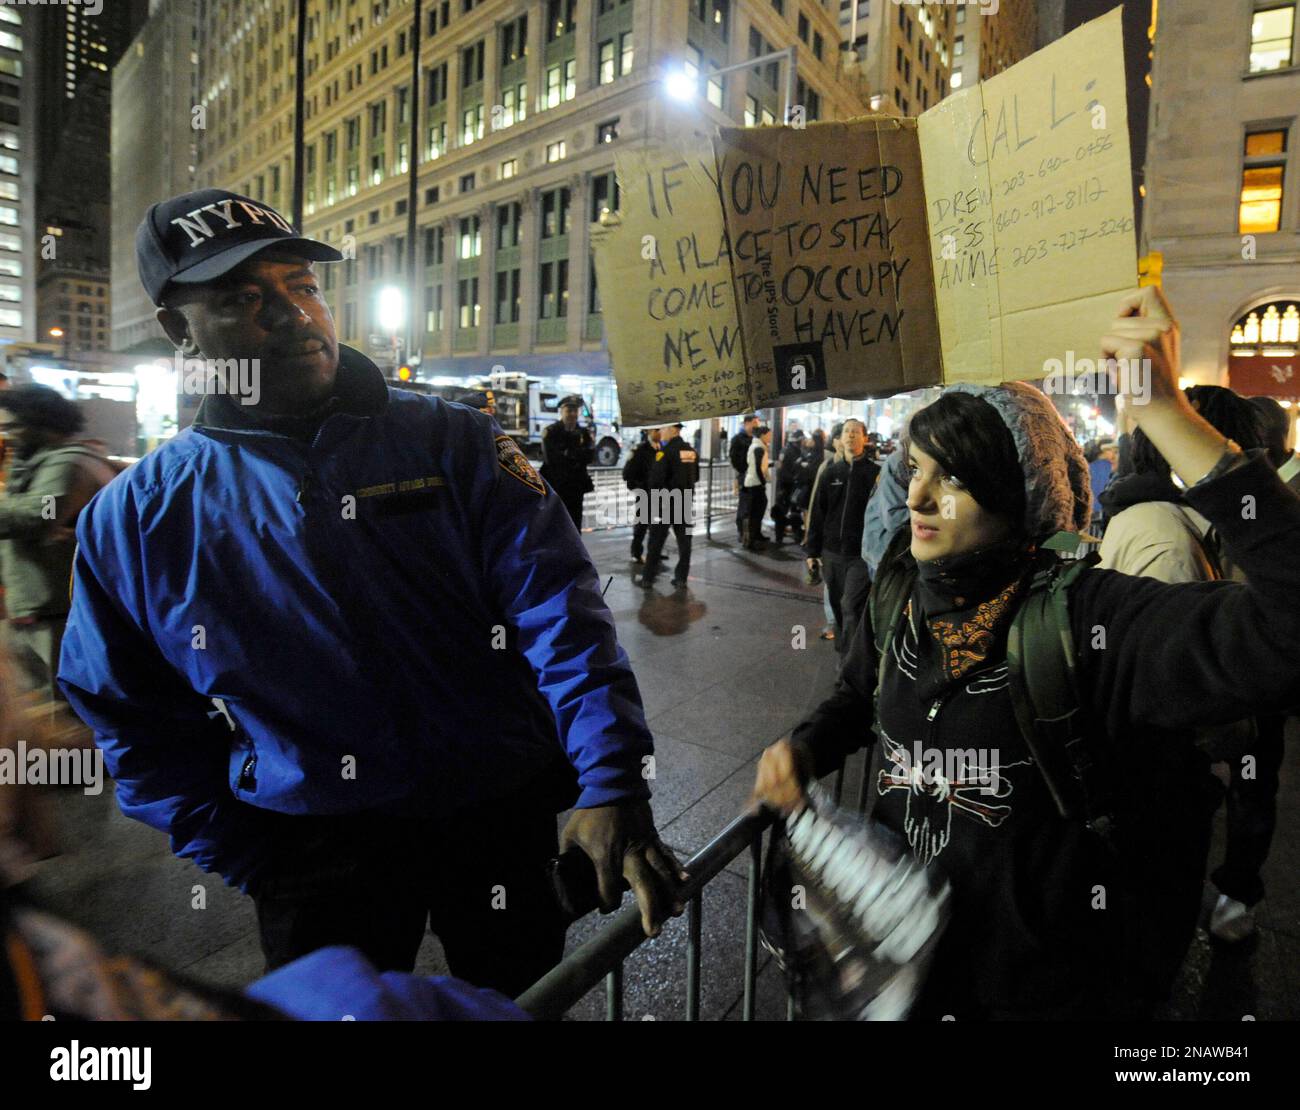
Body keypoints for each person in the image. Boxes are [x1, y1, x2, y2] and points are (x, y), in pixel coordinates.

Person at [56, 188, 684, 999]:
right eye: (243, 298)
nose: (290, 314)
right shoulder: (136, 519)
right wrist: (246, 851)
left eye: (302, 286)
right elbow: (126, 712)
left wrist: (611, 778)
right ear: (179, 330)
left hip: (495, 814)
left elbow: (561, 611)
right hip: (314, 853)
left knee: (523, 1002)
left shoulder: (454, 441)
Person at [752, 287, 1300, 1019]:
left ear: (1020, 493)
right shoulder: (900, 598)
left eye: (952, 476)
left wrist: (1167, 415)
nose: (917, 497)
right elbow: (859, 696)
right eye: (915, 466)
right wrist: (806, 747)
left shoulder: (1087, 620)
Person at [0, 387, 118, 702]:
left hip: (56, 614)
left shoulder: (70, 463)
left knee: (58, 710)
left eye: (14, 427)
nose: (9, 435)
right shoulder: (42, 462)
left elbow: (39, 514)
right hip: (40, 608)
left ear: (42, 423)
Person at [803, 419, 879, 656]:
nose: (851, 436)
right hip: (832, 552)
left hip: (861, 555)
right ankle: (843, 656)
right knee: (837, 607)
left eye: (856, 432)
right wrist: (812, 552)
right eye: (847, 431)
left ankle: (851, 663)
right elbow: (818, 512)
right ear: (841, 437)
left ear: (864, 439)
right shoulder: (831, 472)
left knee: (851, 607)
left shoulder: (875, 473)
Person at [640, 423, 699, 589]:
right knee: (685, 541)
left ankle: (647, 578)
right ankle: (681, 577)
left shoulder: (665, 453)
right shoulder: (691, 451)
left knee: (656, 540)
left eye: (664, 429)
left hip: (665, 504)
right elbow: (696, 477)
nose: (661, 432)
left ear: (674, 430)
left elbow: (655, 480)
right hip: (685, 502)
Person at [540, 395, 595, 529]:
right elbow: (551, 460)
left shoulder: (584, 433)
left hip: (576, 487)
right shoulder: (551, 432)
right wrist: (575, 455)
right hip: (557, 486)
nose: (572, 414)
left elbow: (589, 456)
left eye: (575, 411)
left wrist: (569, 455)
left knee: (575, 525)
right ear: (561, 411)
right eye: (569, 411)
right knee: (556, 525)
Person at [621, 427, 660, 564]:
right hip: (645, 494)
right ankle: (636, 553)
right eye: (657, 430)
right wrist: (639, 487)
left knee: (658, 526)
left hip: (660, 494)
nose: (659, 433)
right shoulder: (640, 450)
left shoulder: (663, 449)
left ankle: (655, 552)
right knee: (641, 525)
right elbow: (627, 473)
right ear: (649, 432)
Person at [771, 429, 805, 545]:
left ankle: (781, 534)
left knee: (786, 510)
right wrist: (794, 480)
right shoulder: (792, 451)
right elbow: (784, 470)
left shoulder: (788, 449)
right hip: (787, 486)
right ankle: (790, 534)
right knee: (788, 511)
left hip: (786, 485)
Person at [742, 424, 772, 550]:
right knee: (755, 512)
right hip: (755, 483)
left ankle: (756, 535)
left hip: (754, 482)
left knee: (757, 510)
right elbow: (758, 468)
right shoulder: (758, 448)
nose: (770, 437)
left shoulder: (757, 446)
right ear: (763, 435)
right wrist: (763, 482)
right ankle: (751, 539)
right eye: (769, 435)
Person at [729, 414, 758, 542]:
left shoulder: (755, 439)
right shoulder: (738, 439)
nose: (756, 426)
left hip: (754, 476)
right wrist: (743, 471)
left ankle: (752, 533)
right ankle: (742, 532)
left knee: (753, 505)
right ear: (747, 423)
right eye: (754, 424)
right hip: (745, 475)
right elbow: (734, 458)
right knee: (744, 505)